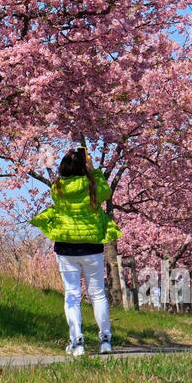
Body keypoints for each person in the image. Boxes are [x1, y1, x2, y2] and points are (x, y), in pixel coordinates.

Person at [29, 147, 121, 356]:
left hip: (66, 247)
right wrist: (94, 171)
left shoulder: (57, 188)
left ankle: (77, 341)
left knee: (72, 296)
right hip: (91, 247)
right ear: (84, 167)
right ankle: (105, 340)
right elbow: (107, 192)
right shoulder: (93, 186)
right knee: (97, 294)